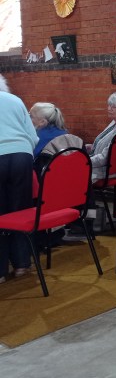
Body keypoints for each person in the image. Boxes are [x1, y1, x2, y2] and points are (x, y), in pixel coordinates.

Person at [0, 74, 38, 283]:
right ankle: (22, 264)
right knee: (20, 211)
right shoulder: (15, 100)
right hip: (22, 155)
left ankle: (0, 271)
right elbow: (32, 135)